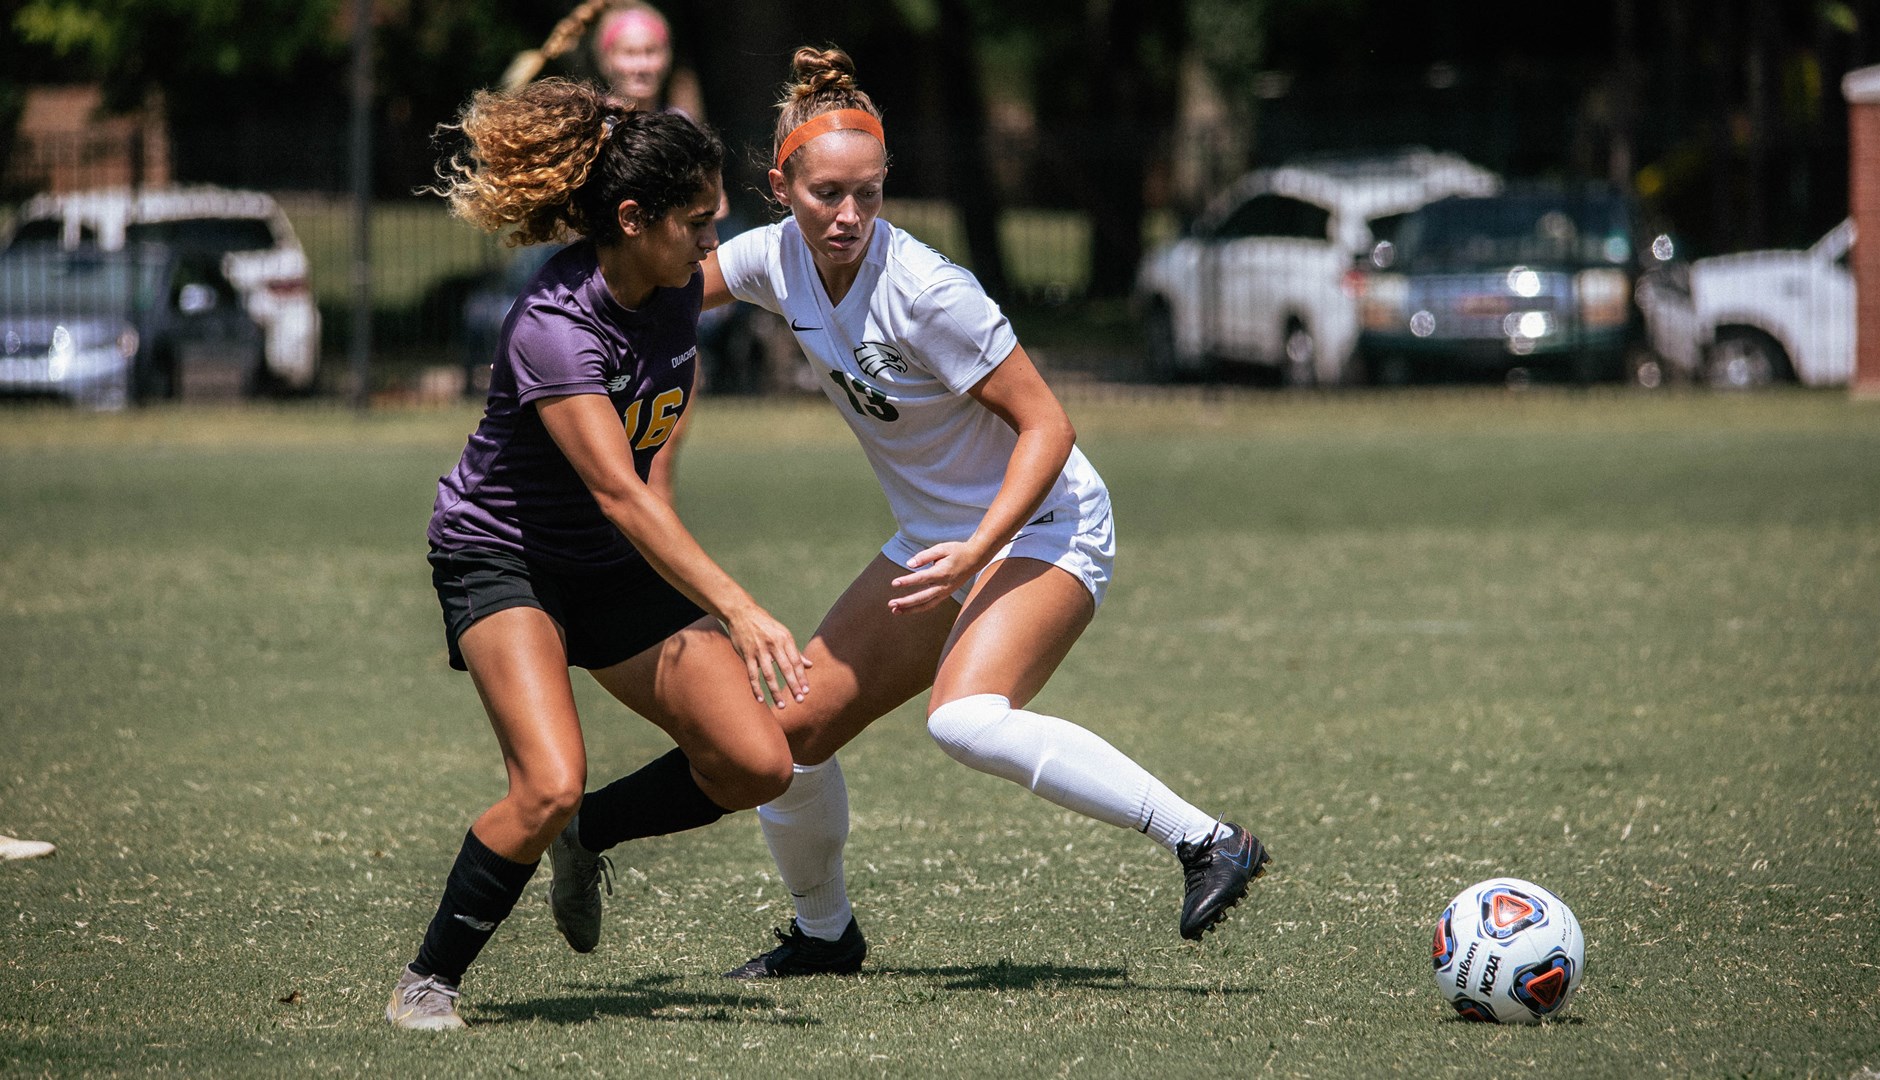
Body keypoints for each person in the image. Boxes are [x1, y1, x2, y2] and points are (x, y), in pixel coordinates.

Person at [547, 46, 1270, 980]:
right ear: (780, 187)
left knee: (964, 718)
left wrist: (976, 548)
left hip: (1046, 526)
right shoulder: (772, 259)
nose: (848, 217)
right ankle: (823, 935)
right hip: (938, 543)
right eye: (826, 195)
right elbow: (649, 277)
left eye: (869, 193)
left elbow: (1048, 424)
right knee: (789, 740)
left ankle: (1208, 841)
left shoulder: (928, 293)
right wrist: (564, 311)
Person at [387, 79, 810, 1031]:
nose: (712, 243)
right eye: (697, 224)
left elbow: (646, 470)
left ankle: (590, 837)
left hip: (605, 559)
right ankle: (427, 982)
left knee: (757, 763)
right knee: (545, 780)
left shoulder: (672, 291)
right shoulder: (554, 327)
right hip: (502, 557)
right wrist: (739, 610)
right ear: (633, 218)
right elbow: (620, 490)